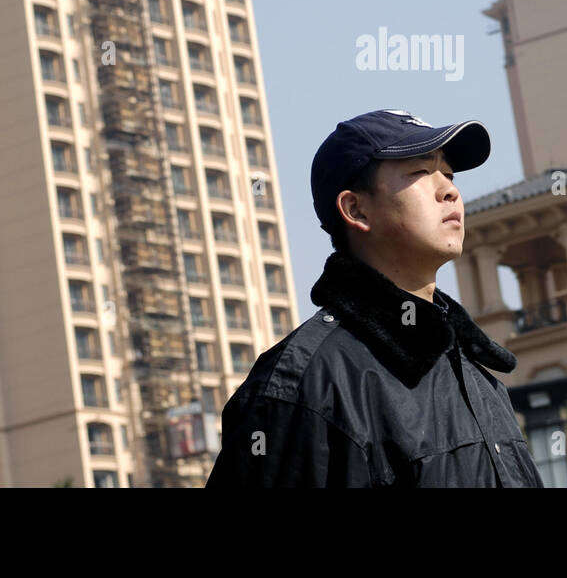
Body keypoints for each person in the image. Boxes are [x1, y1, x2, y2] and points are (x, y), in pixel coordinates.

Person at [205, 108, 544, 487]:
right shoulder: (305, 385)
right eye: (420, 173)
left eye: (448, 174)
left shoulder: (477, 377)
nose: (450, 191)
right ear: (355, 209)